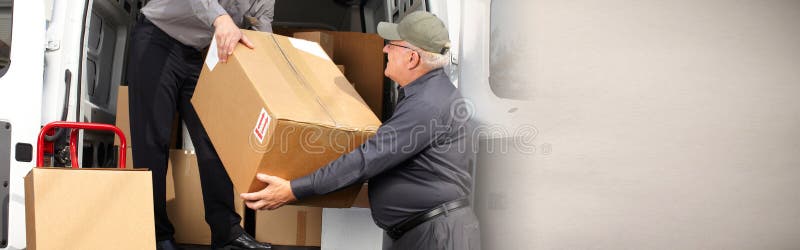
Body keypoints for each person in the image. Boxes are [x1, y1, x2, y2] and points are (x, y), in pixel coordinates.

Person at [239, 11, 481, 250]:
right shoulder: (428, 93)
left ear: (412, 59)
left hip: (435, 237)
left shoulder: (426, 104)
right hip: (422, 230)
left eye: (392, 45)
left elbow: (367, 159)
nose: (385, 49)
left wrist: (293, 189)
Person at [126, 1, 275, 249]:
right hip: (157, 38)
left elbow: (262, 23)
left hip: (194, 54)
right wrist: (221, 19)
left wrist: (267, 64)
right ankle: (158, 234)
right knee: (152, 143)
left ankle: (226, 233)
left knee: (214, 138)